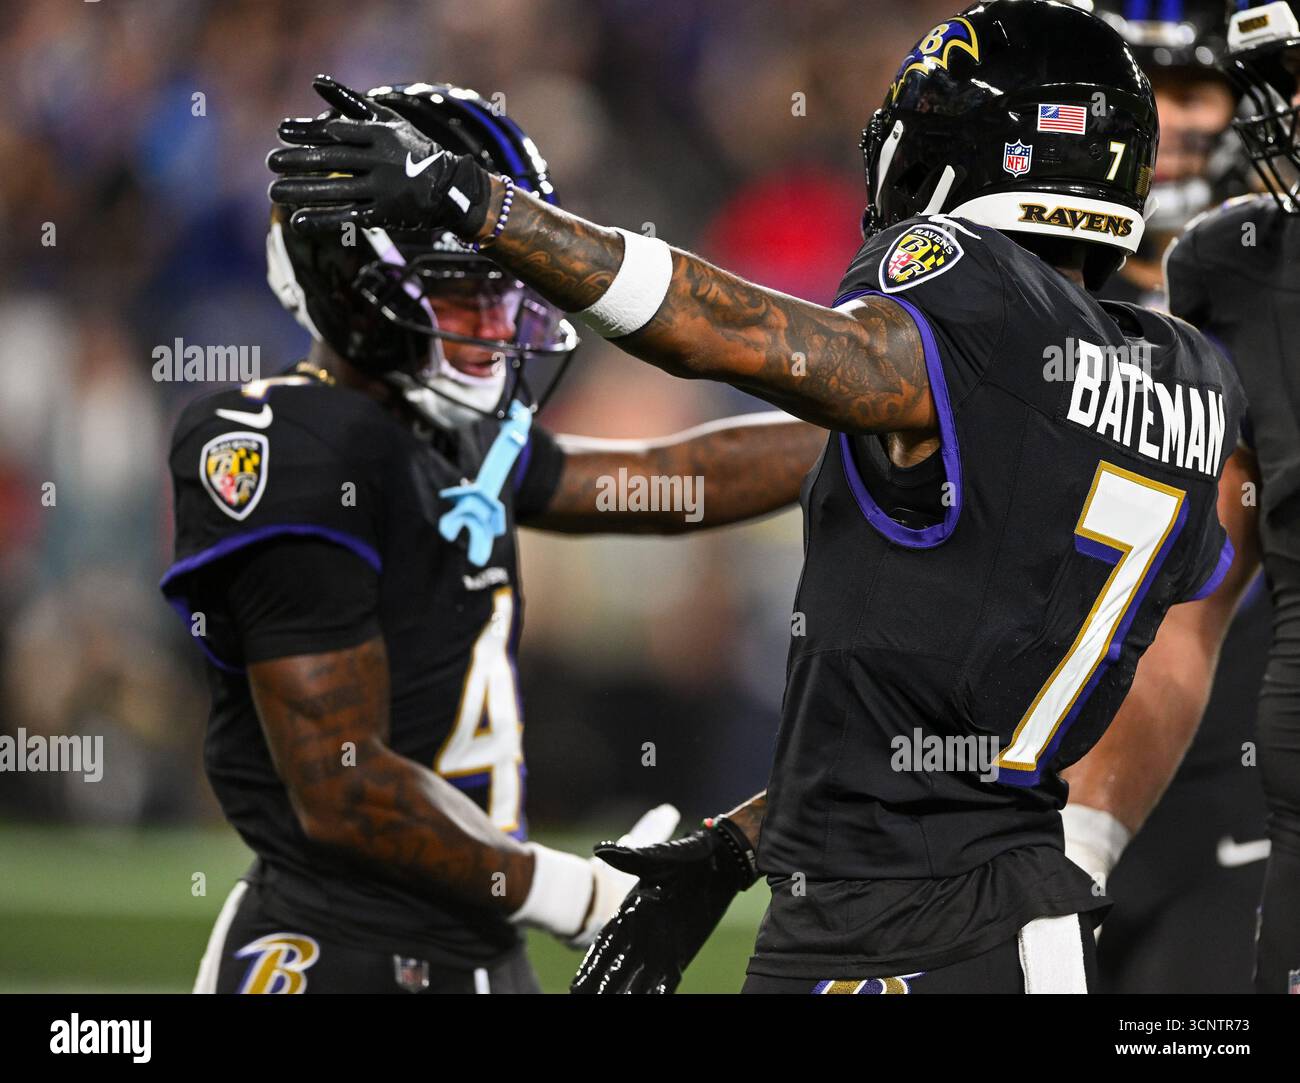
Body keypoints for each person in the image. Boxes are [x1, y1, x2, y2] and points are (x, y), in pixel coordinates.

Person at [267, 1, 1245, 994]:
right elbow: (931, 722)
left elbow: (730, 339)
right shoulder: (1181, 378)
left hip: (927, 932)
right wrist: (741, 842)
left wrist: (480, 205)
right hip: (957, 916)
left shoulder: (977, 305)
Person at [163, 84, 825, 995]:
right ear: (351, 283)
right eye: (463, 293)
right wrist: (570, 892)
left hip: (479, 947)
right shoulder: (293, 444)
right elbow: (339, 787)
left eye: (510, 292)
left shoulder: (449, 431)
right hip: (336, 954)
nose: (499, 327)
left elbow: (674, 481)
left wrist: (888, 427)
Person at [1063, 0, 1300, 994]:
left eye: (1183, 91)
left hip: (1226, 791)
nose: (1153, 123)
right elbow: (1186, 594)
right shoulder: (1234, 279)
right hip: (1068, 765)